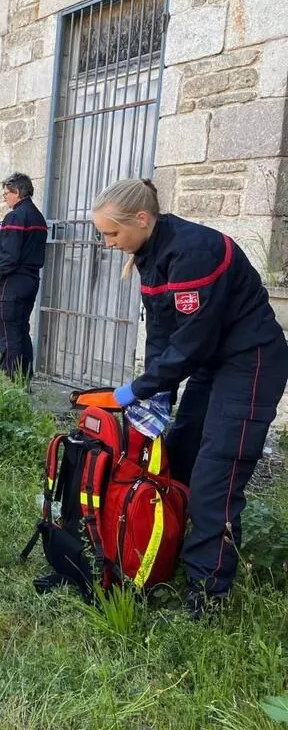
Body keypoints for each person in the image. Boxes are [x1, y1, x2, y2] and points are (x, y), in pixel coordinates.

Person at [94, 178, 288, 618]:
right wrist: (155, 393)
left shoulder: (194, 252)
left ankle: (207, 594)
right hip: (212, 361)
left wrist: (135, 390)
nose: (108, 243)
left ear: (142, 218)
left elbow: (192, 341)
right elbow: (162, 334)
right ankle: (164, 553)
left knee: (216, 475)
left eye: (112, 233)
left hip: (250, 363)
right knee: (179, 456)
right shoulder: (150, 254)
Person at [0, 173, 47, 382]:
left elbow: (10, 255)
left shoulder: (15, 217)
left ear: (17, 192)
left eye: (6, 193)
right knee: (22, 331)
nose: (5, 197)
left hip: (12, 282)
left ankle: (10, 384)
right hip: (30, 280)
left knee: (8, 335)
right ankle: (24, 381)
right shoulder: (38, 217)